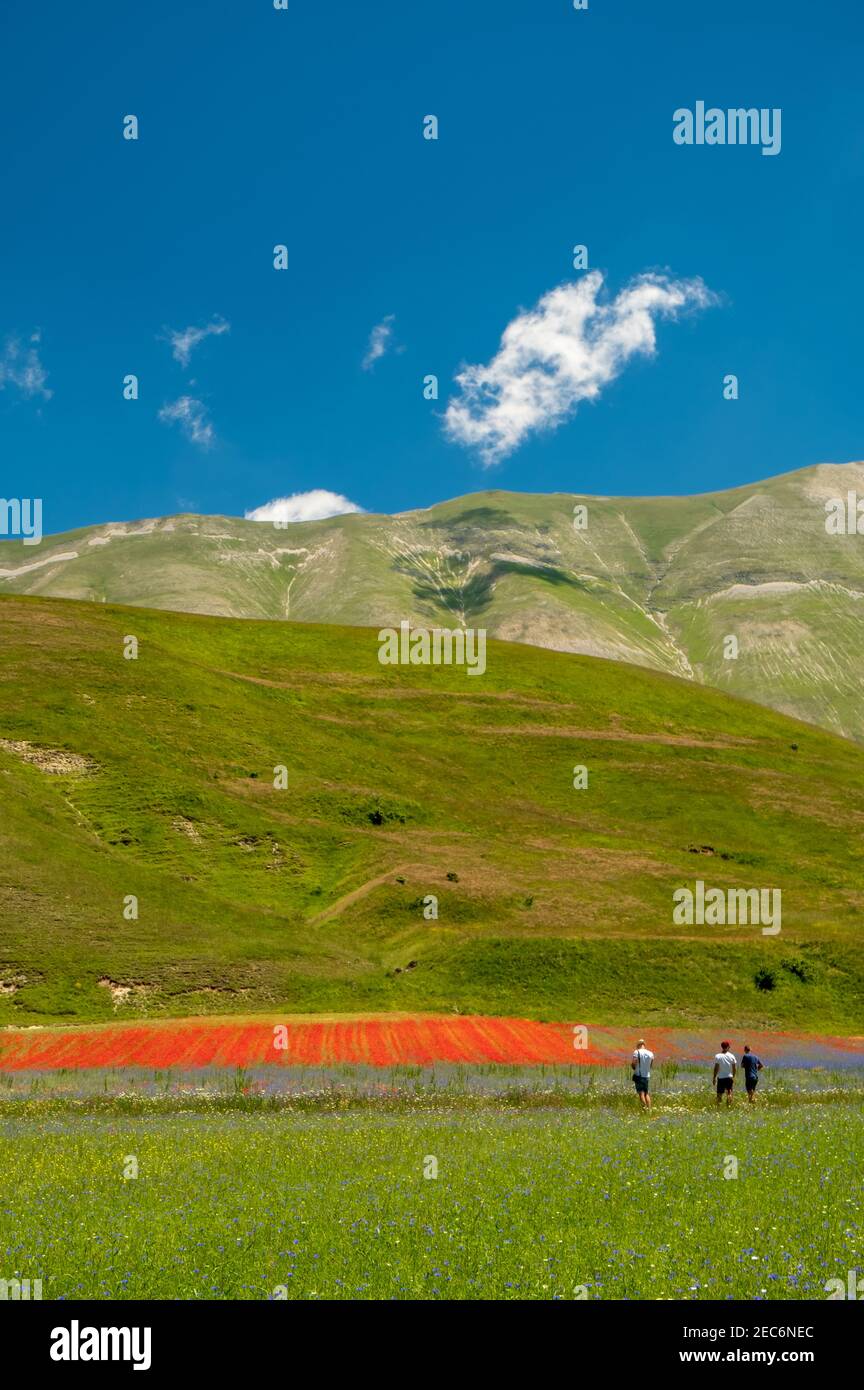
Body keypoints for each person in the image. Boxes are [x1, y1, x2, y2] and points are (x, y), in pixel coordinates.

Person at [631, 1037, 654, 1108]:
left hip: (639, 1076)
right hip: (647, 1076)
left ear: (638, 1045)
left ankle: (644, 1110)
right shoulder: (651, 1053)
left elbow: (634, 1063)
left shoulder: (636, 1052)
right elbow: (650, 1065)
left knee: (641, 1094)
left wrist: (633, 1067)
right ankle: (649, 1109)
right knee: (646, 1093)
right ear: (644, 1045)